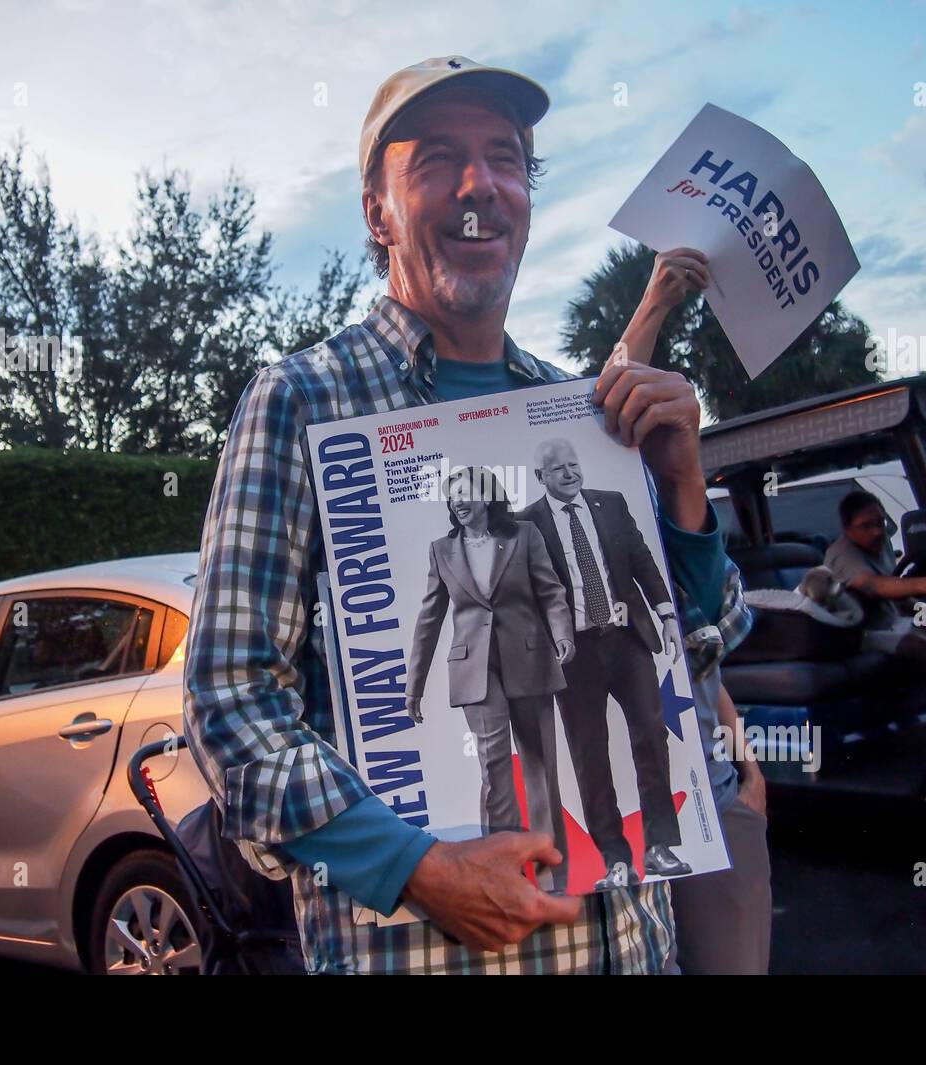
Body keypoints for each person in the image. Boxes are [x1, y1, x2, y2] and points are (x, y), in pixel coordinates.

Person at [183, 53, 728, 974]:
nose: (480, 184)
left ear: (526, 198)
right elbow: (230, 701)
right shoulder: (301, 400)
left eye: (505, 158)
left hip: (629, 946)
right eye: (436, 159)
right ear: (377, 210)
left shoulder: (586, 411)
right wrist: (418, 867)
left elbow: (699, 640)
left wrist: (682, 491)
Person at [520, 438, 692, 888]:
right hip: (573, 654)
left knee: (652, 735)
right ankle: (615, 859)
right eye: (558, 469)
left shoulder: (611, 505)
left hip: (628, 639)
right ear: (541, 477)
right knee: (590, 755)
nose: (570, 474)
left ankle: (659, 847)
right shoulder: (526, 525)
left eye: (574, 465)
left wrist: (668, 615)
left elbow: (642, 561)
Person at [404, 465, 574, 891]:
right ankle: (503, 868)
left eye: (467, 493)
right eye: (452, 496)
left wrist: (562, 634)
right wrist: (415, 684)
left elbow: (551, 592)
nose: (459, 502)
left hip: (530, 660)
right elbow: (429, 619)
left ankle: (552, 869)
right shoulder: (441, 550)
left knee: (539, 766)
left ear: (487, 496)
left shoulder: (523, 535)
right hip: (474, 670)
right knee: (494, 768)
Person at [825, 489, 926, 694]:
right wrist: (925, 584)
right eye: (866, 526)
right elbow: (873, 585)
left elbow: (893, 589)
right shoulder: (843, 554)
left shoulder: (880, 542)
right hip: (860, 633)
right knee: (918, 644)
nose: (876, 531)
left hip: (890, 620)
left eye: (880, 522)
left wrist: (925, 610)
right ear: (847, 529)